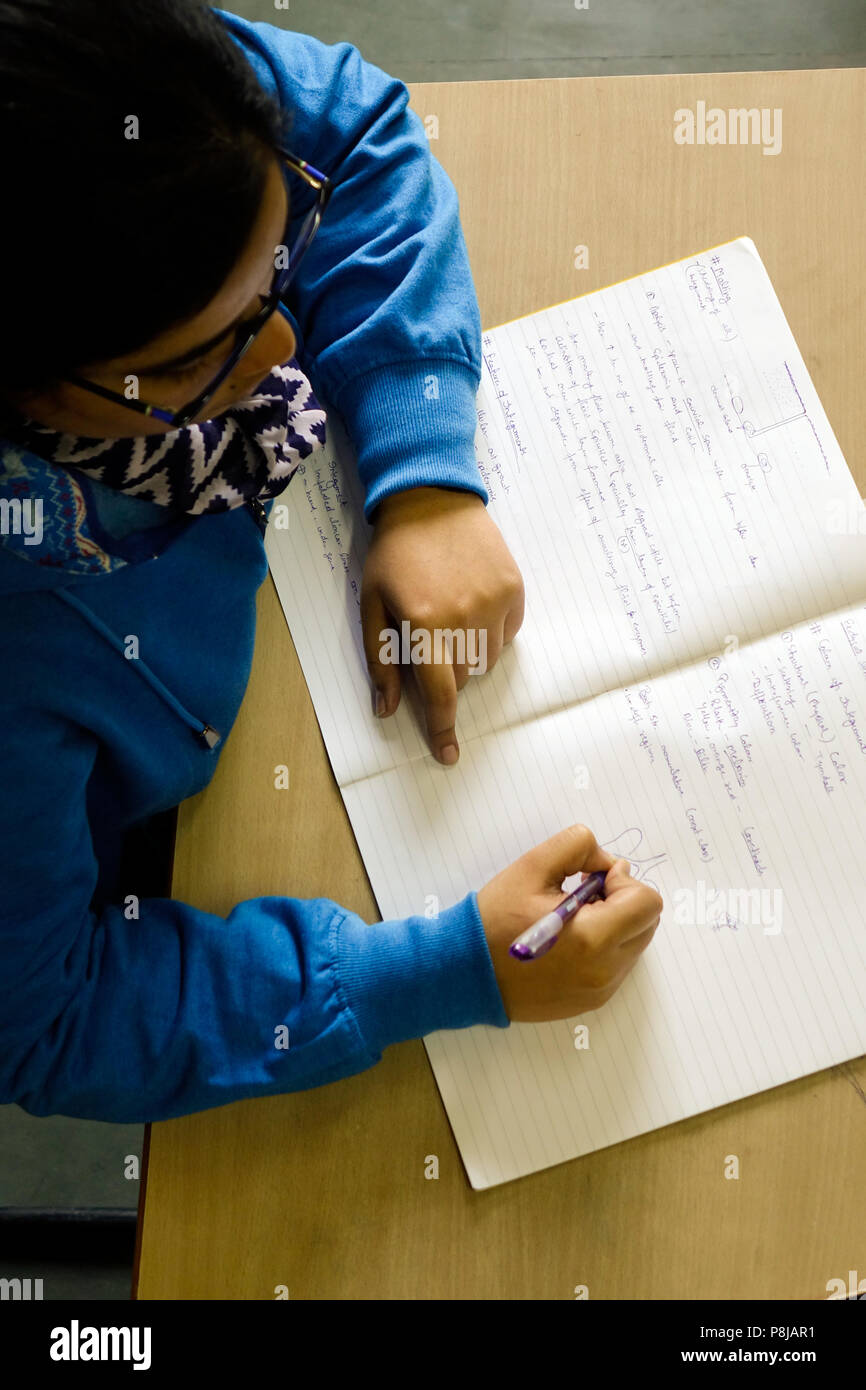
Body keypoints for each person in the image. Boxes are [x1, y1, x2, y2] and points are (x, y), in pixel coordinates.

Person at [0, 0, 661, 1123]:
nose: (281, 352)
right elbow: (49, 1014)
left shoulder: (117, 86)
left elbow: (347, 134)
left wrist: (422, 471)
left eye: (273, 275)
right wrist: (430, 973)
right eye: (201, 354)